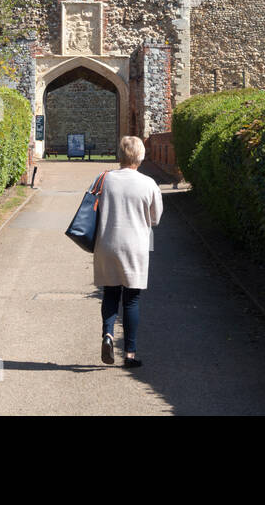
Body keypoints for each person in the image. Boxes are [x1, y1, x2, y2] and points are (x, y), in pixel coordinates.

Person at [94, 135, 163, 368]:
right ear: (140, 157)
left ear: (120, 154)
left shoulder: (104, 180)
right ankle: (130, 354)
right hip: (135, 246)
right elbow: (155, 218)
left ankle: (108, 334)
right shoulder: (149, 183)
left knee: (110, 293)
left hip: (106, 243)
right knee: (131, 300)